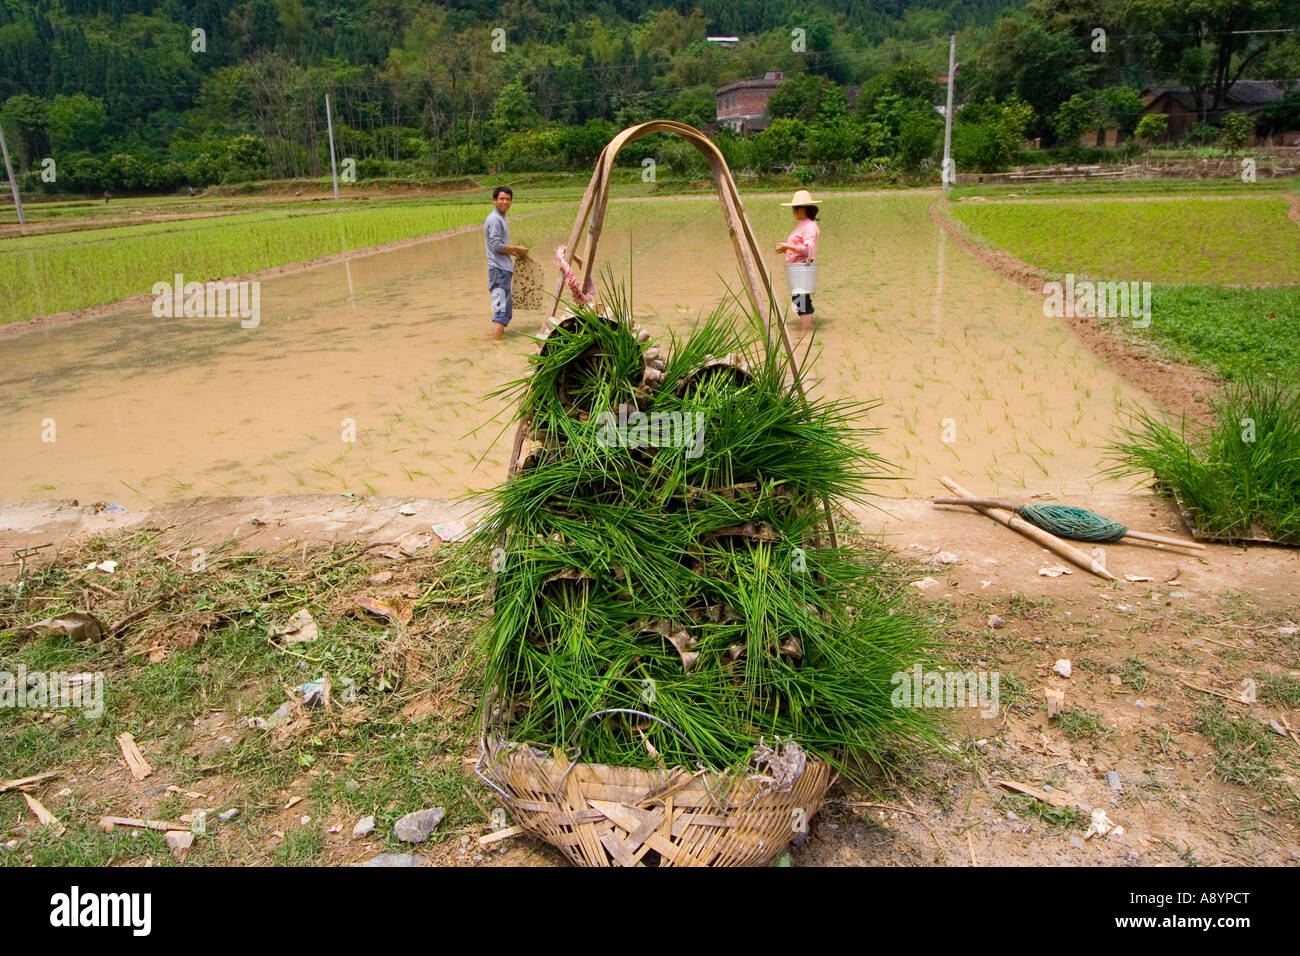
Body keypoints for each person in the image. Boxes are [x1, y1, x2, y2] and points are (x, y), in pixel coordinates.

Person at [774, 189, 822, 335]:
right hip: (796, 268)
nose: (793, 212)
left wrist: (788, 246)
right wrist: (787, 249)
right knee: (799, 299)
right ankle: (806, 329)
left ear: (803, 208)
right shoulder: (804, 224)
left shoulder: (809, 226)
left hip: (801, 267)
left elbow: (808, 250)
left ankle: (806, 332)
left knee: (801, 299)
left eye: (795, 208)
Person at [484, 186, 529, 341]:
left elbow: (497, 246)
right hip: (499, 270)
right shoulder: (495, 219)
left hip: (501, 269)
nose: (505, 202)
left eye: (508, 199)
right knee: (502, 310)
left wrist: (514, 252)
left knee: (504, 308)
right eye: (501, 199)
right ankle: (496, 345)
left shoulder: (499, 218)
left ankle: (498, 341)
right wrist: (515, 248)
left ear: (511, 202)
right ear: (495, 200)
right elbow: (496, 245)